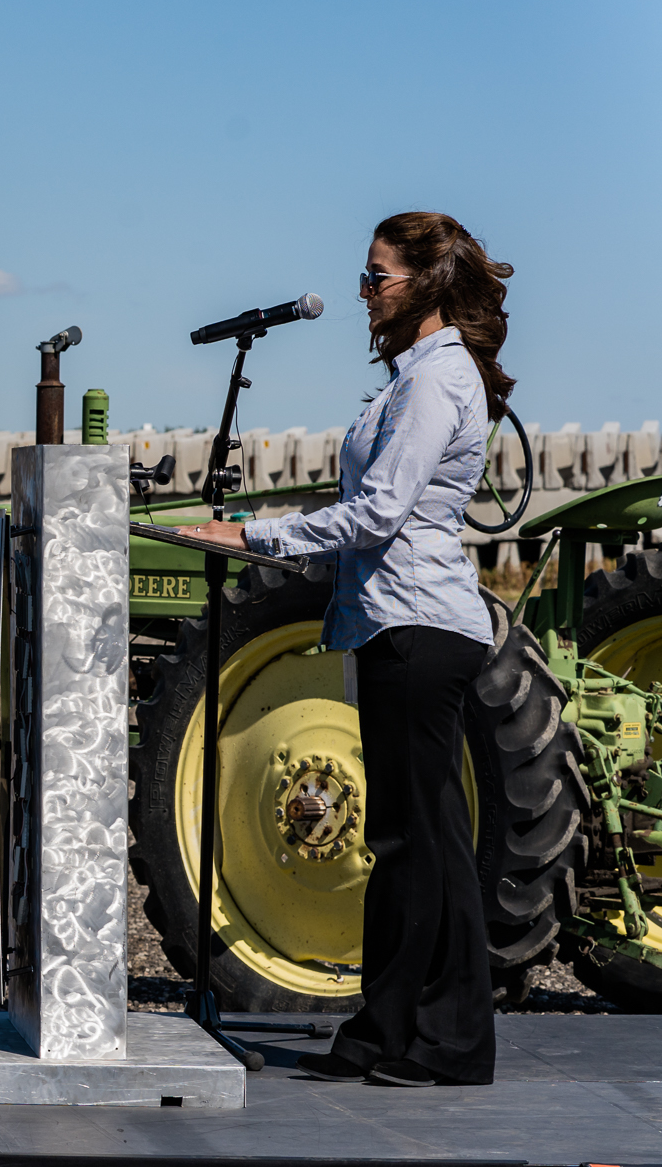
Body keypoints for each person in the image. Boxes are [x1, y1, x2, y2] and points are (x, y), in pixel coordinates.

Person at [187, 211, 514, 1088]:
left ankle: (448, 1043)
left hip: (419, 625)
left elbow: (377, 516)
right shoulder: (414, 379)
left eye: (377, 277)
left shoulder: (435, 382)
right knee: (406, 838)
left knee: (424, 842)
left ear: (425, 283)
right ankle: (386, 1031)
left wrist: (251, 535)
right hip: (395, 622)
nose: (364, 293)